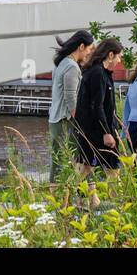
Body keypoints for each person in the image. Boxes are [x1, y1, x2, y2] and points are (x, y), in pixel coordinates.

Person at [48, 30, 93, 182]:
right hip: (66, 120)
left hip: (55, 118)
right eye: (88, 49)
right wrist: (80, 122)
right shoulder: (72, 67)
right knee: (76, 158)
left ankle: (58, 198)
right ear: (81, 46)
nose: (88, 53)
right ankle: (79, 196)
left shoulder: (60, 63)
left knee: (57, 160)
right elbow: (71, 97)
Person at [74, 37, 123, 173]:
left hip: (92, 128)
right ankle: (114, 195)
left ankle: (74, 193)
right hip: (98, 131)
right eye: (119, 57)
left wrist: (115, 120)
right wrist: (106, 132)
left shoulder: (98, 72)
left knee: (85, 167)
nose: (119, 61)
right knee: (112, 169)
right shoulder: (98, 73)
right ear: (111, 55)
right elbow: (97, 105)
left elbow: (105, 104)